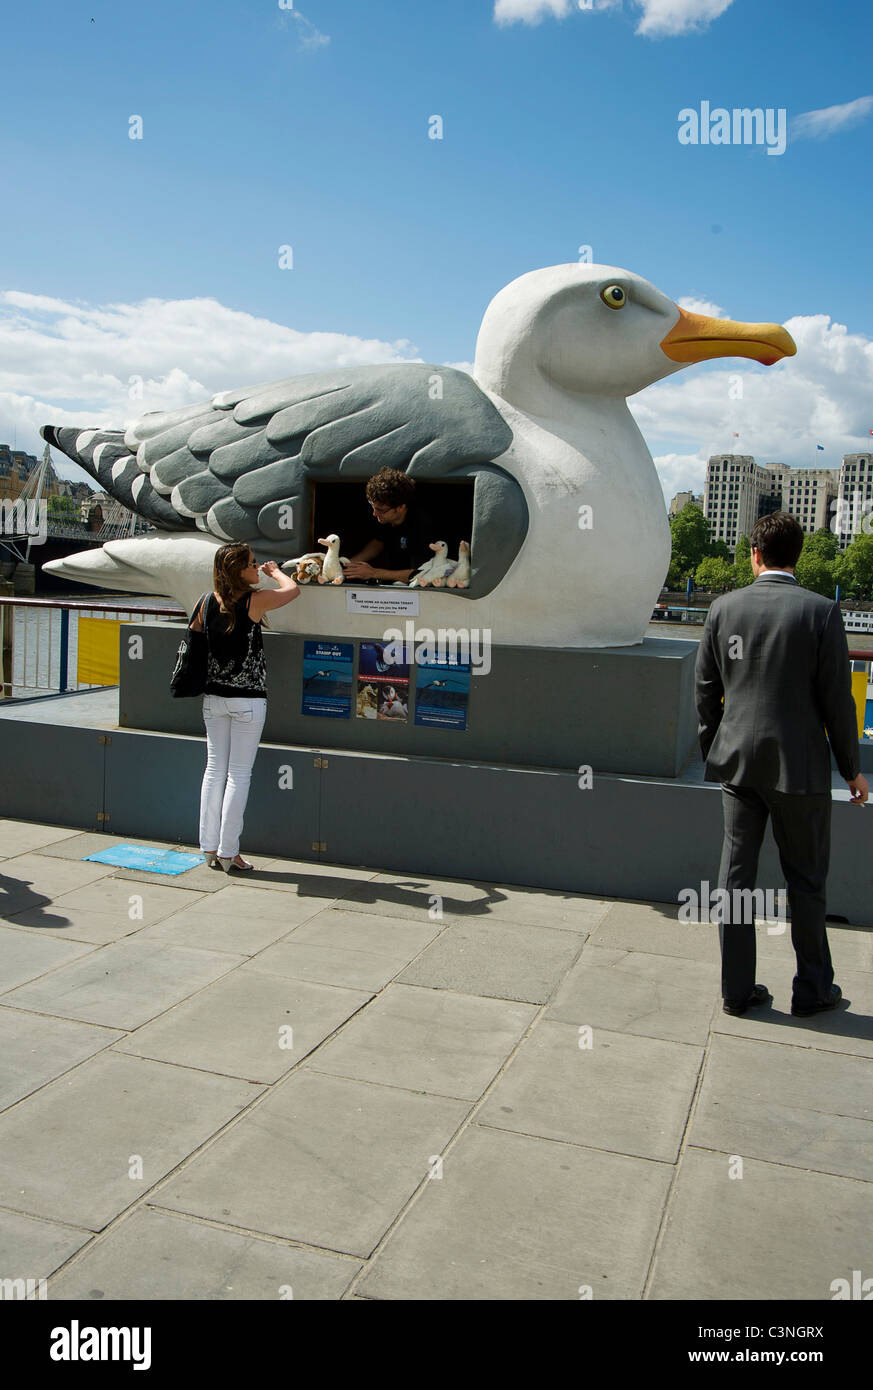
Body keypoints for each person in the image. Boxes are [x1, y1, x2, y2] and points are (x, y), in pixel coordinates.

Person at [694, 511, 868, 1018]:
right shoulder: (821, 612)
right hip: (802, 770)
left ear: (754, 554)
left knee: (735, 880)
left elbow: (706, 693)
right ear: (797, 557)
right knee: (807, 882)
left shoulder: (722, 610)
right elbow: (839, 702)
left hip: (739, 768)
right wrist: (851, 768)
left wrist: (717, 754)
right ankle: (812, 992)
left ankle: (736, 991)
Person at [193, 542, 299, 872]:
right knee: (239, 775)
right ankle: (229, 852)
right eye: (252, 564)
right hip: (248, 701)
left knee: (214, 772)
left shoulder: (206, 601)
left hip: (213, 698)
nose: (257, 568)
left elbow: (196, 640)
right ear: (239, 570)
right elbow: (293, 590)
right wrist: (275, 572)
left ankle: (209, 848)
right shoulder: (255, 601)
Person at [343, 467, 436, 584]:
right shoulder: (385, 518)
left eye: (381, 510)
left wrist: (373, 572)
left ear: (401, 507)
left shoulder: (421, 526)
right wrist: (347, 564)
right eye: (372, 506)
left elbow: (420, 573)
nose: (374, 513)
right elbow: (378, 543)